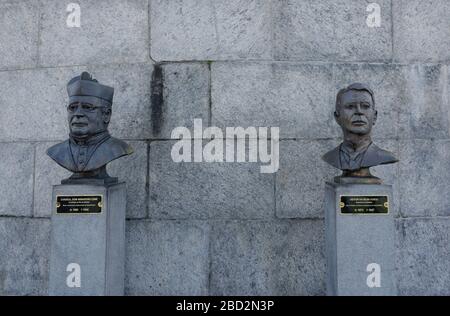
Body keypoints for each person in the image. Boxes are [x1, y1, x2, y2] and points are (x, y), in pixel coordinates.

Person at [47, 72, 133, 184]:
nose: (78, 114)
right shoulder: (56, 151)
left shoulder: (118, 148)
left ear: (106, 115)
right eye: (72, 108)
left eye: (87, 107)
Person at [322, 83, 398, 183]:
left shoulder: (385, 156)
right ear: (337, 117)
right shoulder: (330, 157)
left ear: (375, 116)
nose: (359, 112)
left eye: (365, 106)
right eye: (350, 106)